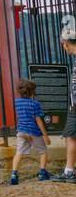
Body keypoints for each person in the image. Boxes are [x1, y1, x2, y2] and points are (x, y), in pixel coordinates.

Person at [10, 78, 52, 184]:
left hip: (21, 131)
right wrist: (45, 135)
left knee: (19, 152)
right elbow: (38, 120)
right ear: (32, 91)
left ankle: (14, 175)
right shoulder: (35, 104)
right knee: (43, 151)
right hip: (33, 132)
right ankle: (42, 173)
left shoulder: (16, 102)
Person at [54, 25, 76, 183]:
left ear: (65, 43)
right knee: (70, 135)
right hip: (73, 106)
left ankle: (69, 171)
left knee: (71, 136)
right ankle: (69, 171)